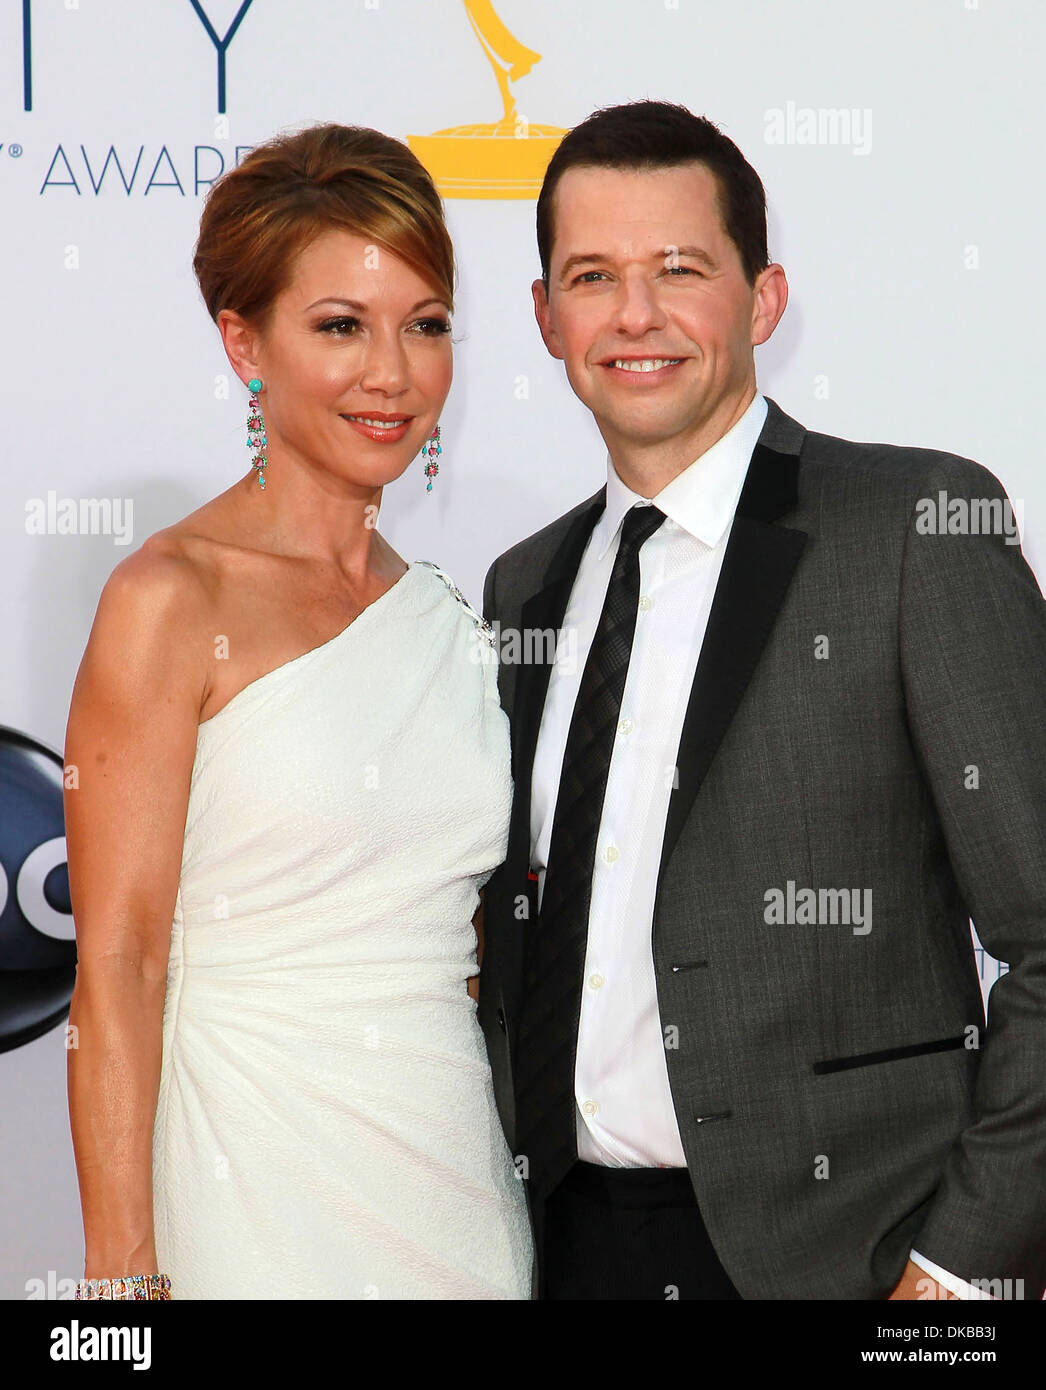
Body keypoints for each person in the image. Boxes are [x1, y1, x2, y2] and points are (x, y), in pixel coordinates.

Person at [477, 99, 1046, 1300]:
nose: (634, 314)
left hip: (850, 1263)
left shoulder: (911, 530)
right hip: (562, 1250)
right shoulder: (521, 583)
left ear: (762, 299)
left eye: (678, 269)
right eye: (592, 276)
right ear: (544, 318)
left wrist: (954, 1275)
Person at [64, 122, 532, 1300]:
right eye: (340, 326)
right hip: (247, 1179)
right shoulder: (169, 599)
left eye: (424, 324)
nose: (393, 373)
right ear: (244, 342)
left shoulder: (444, 619)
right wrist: (119, 1284)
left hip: (452, 1186)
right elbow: (118, 961)